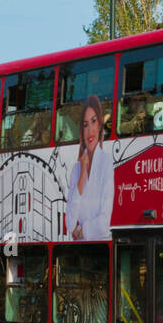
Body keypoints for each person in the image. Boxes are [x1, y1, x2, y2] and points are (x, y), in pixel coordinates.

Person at [66, 95, 114, 241]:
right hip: (79, 249)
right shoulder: (76, 168)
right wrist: (81, 177)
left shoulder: (106, 162)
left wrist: (81, 230)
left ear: (100, 125)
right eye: (85, 124)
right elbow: (69, 223)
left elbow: (104, 223)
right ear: (81, 130)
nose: (90, 130)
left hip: (101, 247)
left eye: (93, 121)